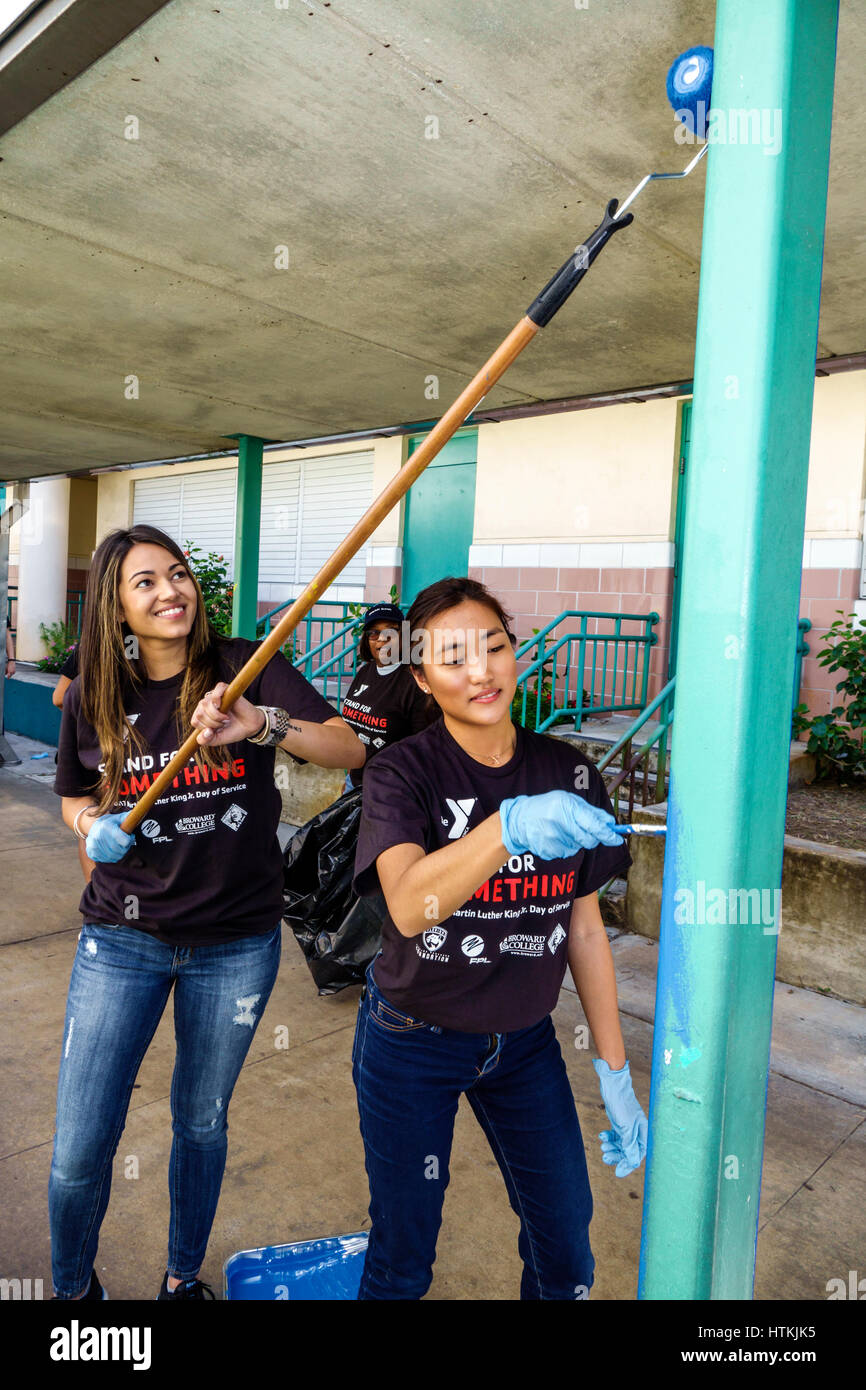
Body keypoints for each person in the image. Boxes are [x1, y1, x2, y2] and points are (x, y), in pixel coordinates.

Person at [50, 523, 364, 1301]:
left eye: (178, 573)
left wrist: (264, 723)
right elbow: (71, 795)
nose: (171, 591)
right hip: (123, 941)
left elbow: (350, 748)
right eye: (145, 582)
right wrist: (94, 828)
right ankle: (71, 1294)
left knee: (200, 1123)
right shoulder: (97, 691)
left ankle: (181, 1280)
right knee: (80, 1147)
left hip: (236, 945)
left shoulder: (244, 666)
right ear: (118, 608)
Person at [351, 575, 647, 1300]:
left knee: (566, 1244)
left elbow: (582, 925)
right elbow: (412, 904)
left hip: (524, 1044)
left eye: (494, 645)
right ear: (421, 677)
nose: (481, 670)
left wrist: (614, 1069)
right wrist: (508, 828)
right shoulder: (401, 774)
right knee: (403, 1255)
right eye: (453, 657)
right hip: (410, 1042)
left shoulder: (569, 771)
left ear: (516, 651)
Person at [340, 601, 440, 792]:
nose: (382, 639)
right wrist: (350, 773)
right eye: (373, 633)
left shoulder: (415, 681)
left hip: (391, 789)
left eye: (391, 631)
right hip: (355, 782)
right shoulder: (365, 671)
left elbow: (425, 747)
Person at [52, 645, 94, 882]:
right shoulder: (91, 647)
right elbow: (60, 697)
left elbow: (60, 697)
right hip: (96, 758)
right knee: (92, 825)